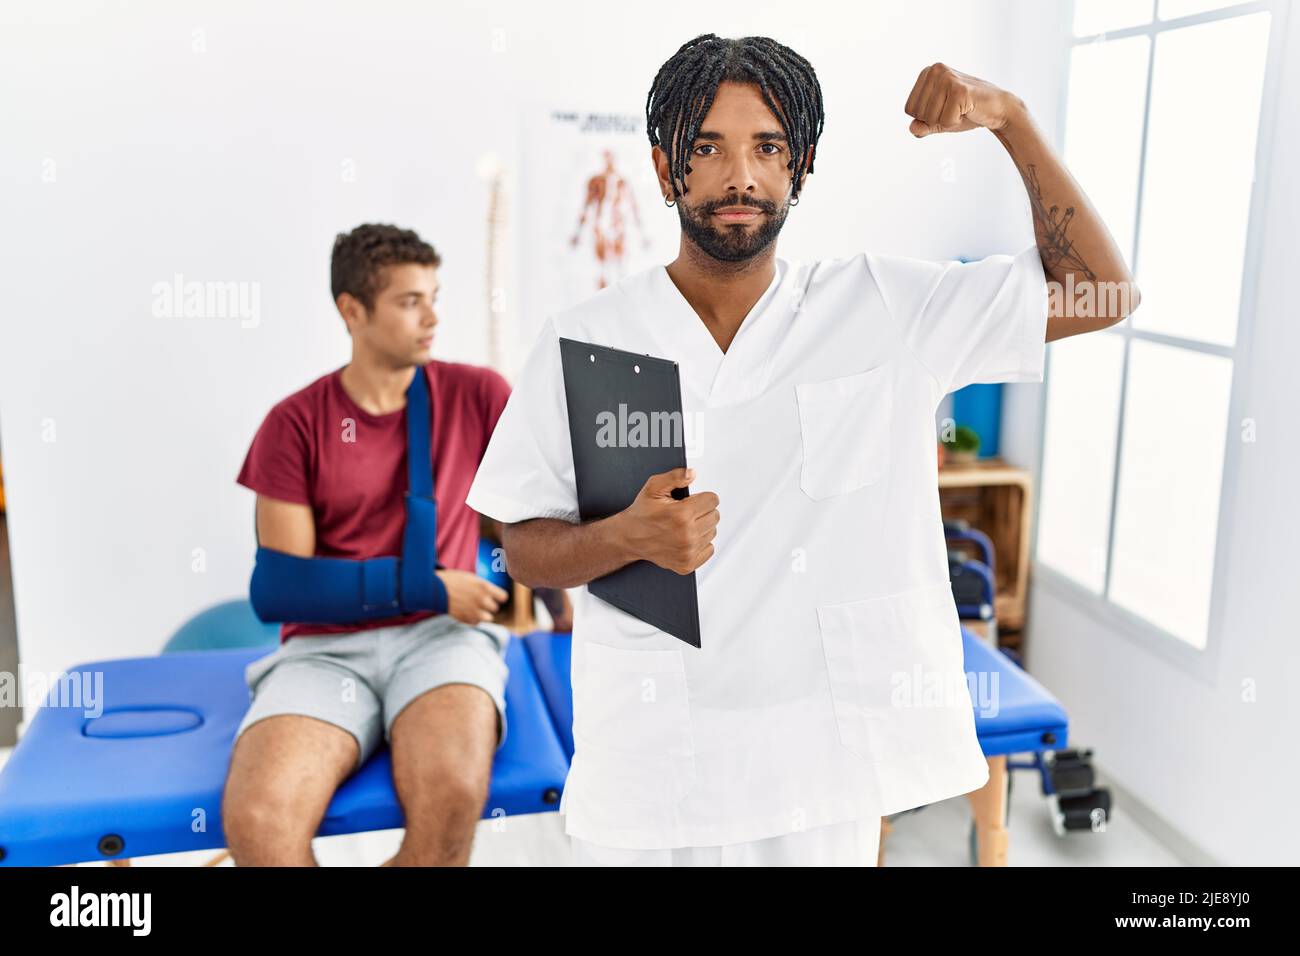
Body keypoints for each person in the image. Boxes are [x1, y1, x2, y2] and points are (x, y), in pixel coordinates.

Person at [466, 34, 1138, 866]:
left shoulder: (887, 306)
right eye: (706, 147)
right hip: (657, 768)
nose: (739, 176)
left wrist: (1010, 118)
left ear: (802, 163)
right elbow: (523, 551)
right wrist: (621, 539)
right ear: (664, 167)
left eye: (768, 147)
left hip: (823, 771)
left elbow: (1101, 291)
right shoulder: (587, 339)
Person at [222, 223, 513, 866]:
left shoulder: (479, 394)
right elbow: (281, 589)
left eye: (434, 295)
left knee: (454, 793)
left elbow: (530, 511)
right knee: (259, 821)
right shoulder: (294, 424)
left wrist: (553, 598)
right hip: (326, 652)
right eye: (411, 301)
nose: (433, 316)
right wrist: (428, 585)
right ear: (351, 311)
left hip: (442, 637)